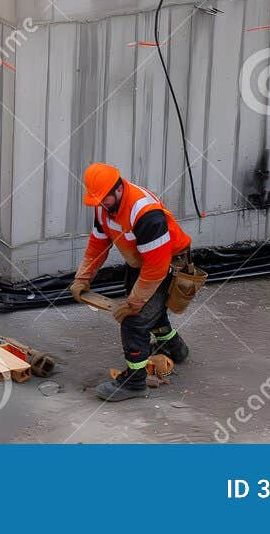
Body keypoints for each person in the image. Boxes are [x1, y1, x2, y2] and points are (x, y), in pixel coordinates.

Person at [69, 163, 196, 402]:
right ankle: (175, 348)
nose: (101, 206)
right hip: (142, 260)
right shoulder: (103, 208)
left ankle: (135, 382)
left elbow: (156, 269)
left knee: (134, 320)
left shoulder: (146, 214)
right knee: (152, 311)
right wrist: (82, 278)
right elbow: (98, 245)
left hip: (167, 264)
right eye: (97, 201)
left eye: (104, 199)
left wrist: (134, 303)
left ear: (118, 189)